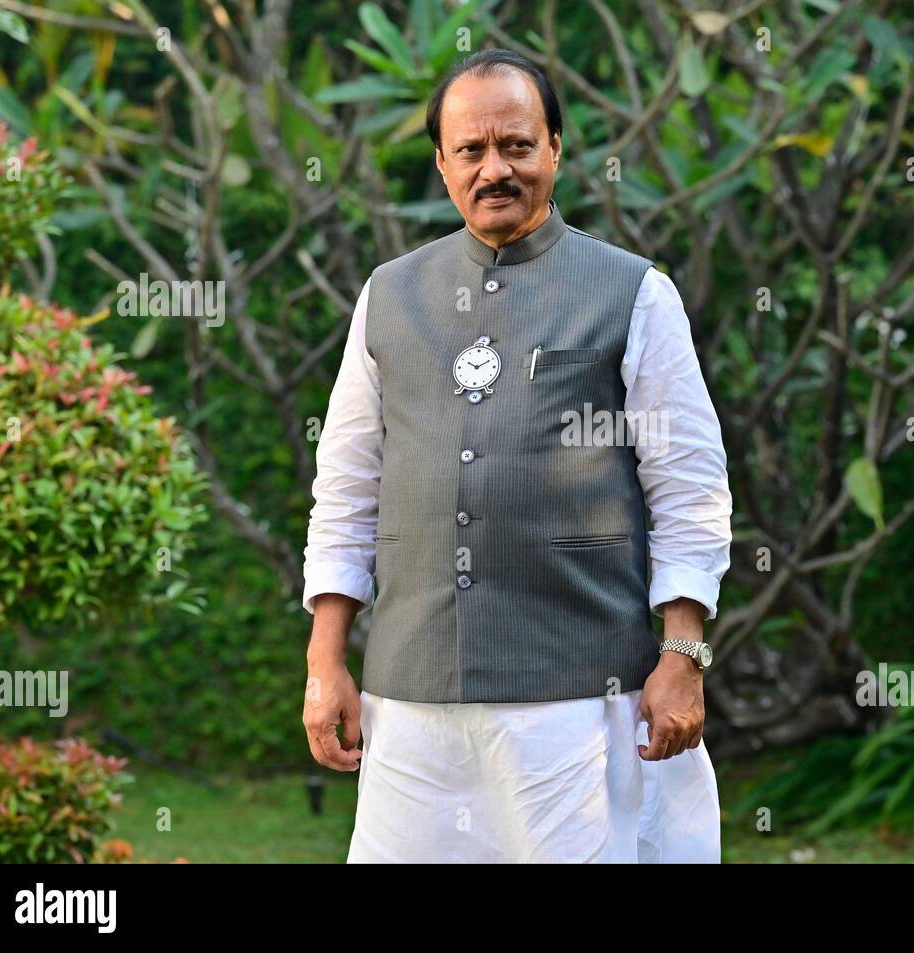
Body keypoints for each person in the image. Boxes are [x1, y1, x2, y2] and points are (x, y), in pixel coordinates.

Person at [300, 48, 732, 863]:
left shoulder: (633, 291)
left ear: (557, 150)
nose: (494, 169)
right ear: (441, 162)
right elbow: (347, 486)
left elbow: (689, 486)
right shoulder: (388, 295)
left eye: (517, 146)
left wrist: (684, 653)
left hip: (577, 697)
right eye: (471, 150)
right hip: (411, 701)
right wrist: (326, 660)